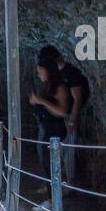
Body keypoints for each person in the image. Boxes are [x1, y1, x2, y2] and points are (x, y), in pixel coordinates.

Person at [38, 45, 89, 191]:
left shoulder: (70, 73)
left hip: (67, 117)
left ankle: (69, 186)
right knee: (55, 153)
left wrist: (72, 119)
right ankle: (56, 184)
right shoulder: (57, 73)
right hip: (57, 118)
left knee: (68, 153)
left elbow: (77, 98)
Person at [29, 55, 70, 211]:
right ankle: (52, 199)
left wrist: (41, 101)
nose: (39, 74)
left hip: (56, 130)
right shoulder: (47, 86)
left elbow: (62, 111)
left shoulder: (60, 87)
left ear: (49, 71)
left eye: (41, 71)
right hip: (47, 129)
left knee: (53, 165)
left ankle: (55, 203)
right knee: (47, 165)